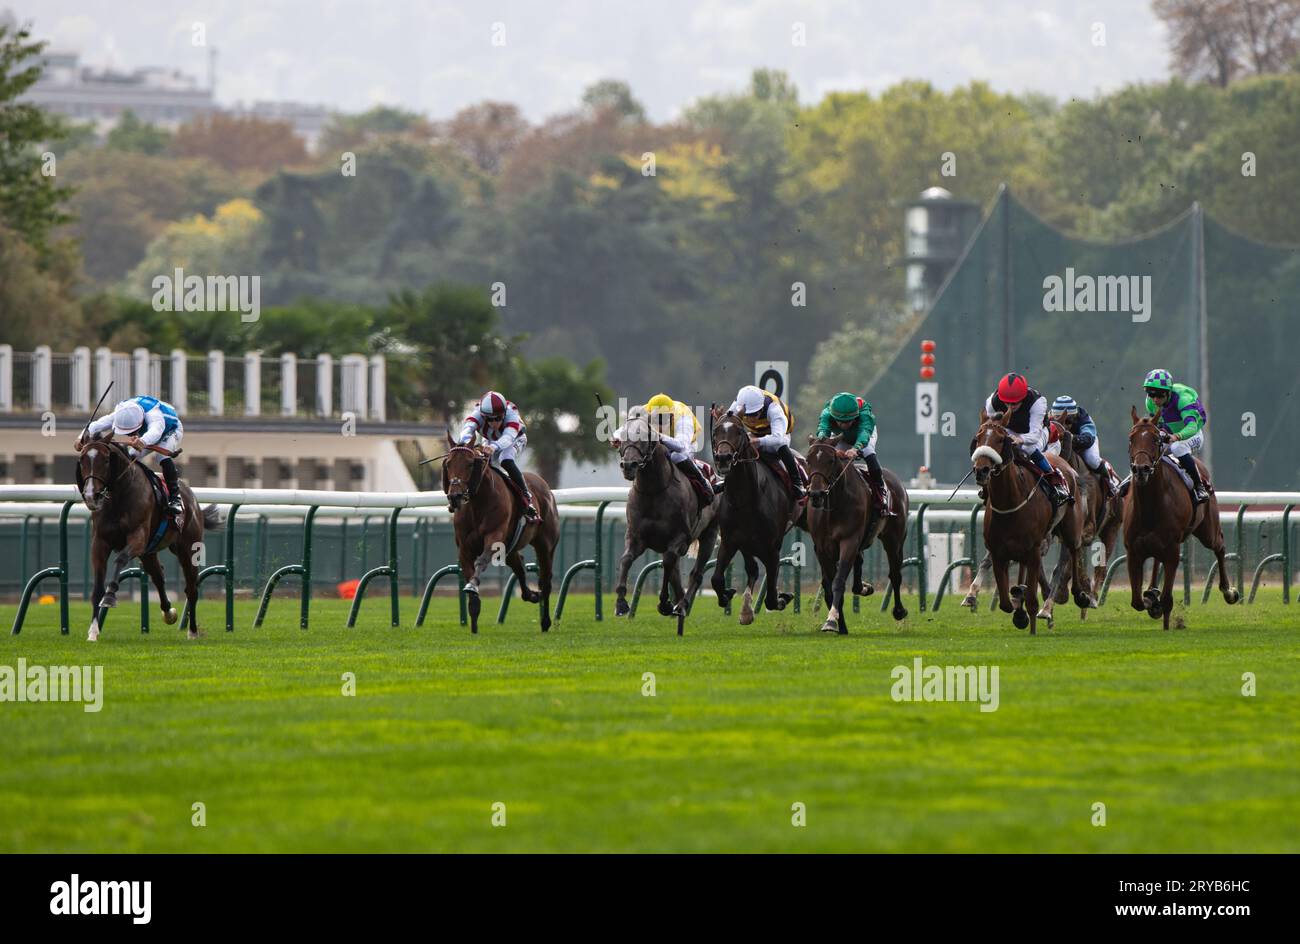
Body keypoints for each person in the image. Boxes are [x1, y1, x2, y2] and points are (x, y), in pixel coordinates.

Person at [78, 395, 185, 519]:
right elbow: (96, 425)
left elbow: (156, 431)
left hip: (170, 431)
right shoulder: (122, 413)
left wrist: (143, 441)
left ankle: (175, 498)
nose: (129, 435)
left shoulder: (154, 415)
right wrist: (80, 438)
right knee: (128, 456)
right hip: (147, 433)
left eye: (130, 432)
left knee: (161, 457)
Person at [981, 372, 1071, 506]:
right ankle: (986, 485)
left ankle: (1056, 482)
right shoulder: (992, 402)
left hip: (1039, 431)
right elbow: (992, 428)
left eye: (1015, 403)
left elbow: (1034, 435)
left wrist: (1020, 439)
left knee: (1027, 449)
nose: (1011, 406)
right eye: (1007, 403)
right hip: (1010, 429)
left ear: (1023, 397)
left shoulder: (1037, 402)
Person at [613, 394, 713, 505]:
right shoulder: (643, 413)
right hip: (659, 440)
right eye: (655, 419)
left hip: (685, 442)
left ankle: (703, 483)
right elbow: (621, 431)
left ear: (672, 416)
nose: (659, 423)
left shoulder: (683, 418)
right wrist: (617, 438)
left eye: (664, 419)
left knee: (676, 456)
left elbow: (681, 446)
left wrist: (659, 436)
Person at [458, 390, 538, 519]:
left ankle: (526, 497)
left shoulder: (511, 413)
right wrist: (466, 443)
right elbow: (467, 429)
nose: (494, 423)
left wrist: (494, 447)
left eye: (499, 418)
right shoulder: (477, 413)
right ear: (483, 416)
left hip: (515, 439)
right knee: (482, 464)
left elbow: (508, 437)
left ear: (504, 414)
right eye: (490, 419)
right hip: (490, 440)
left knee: (505, 459)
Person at [816, 391, 894, 516]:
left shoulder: (864, 413)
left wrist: (856, 448)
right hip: (840, 437)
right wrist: (822, 441)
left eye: (848, 421)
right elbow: (823, 431)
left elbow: (864, 433)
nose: (844, 425)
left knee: (868, 452)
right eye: (840, 421)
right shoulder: (827, 413)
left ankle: (881, 493)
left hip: (864, 435)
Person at [725, 384, 806, 500]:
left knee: (780, 444)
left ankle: (797, 482)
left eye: (754, 414)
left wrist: (758, 441)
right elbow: (728, 423)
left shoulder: (774, 409)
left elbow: (778, 437)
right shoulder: (737, 405)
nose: (751, 418)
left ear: (762, 408)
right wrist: (721, 418)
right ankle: (727, 480)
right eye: (747, 415)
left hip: (779, 435)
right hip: (755, 434)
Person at [1142, 368, 1209, 503]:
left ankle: (1199, 486)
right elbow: (1159, 426)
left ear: (1168, 392)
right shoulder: (1150, 402)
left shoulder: (1183, 398)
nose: (1155, 400)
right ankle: (1132, 480)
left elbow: (1192, 426)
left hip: (1192, 435)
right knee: (1146, 447)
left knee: (1178, 447)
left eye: (1159, 395)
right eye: (1151, 394)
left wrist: (1176, 436)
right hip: (1171, 434)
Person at [1047, 394, 1120, 498]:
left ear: (1075, 417)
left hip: (1085, 442)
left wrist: (1071, 437)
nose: (1064, 425)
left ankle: (1110, 482)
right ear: (1052, 416)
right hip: (1062, 442)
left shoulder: (1083, 419)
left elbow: (1088, 439)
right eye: (1060, 421)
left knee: (1092, 460)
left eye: (1068, 421)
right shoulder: (1048, 420)